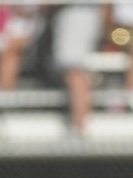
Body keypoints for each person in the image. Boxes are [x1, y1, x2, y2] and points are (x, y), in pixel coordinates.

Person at [50, 2, 103, 135]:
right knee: (73, 71)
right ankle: (79, 124)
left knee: (74, 71)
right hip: (75, 13)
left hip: (77, 12)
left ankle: (79, 126)